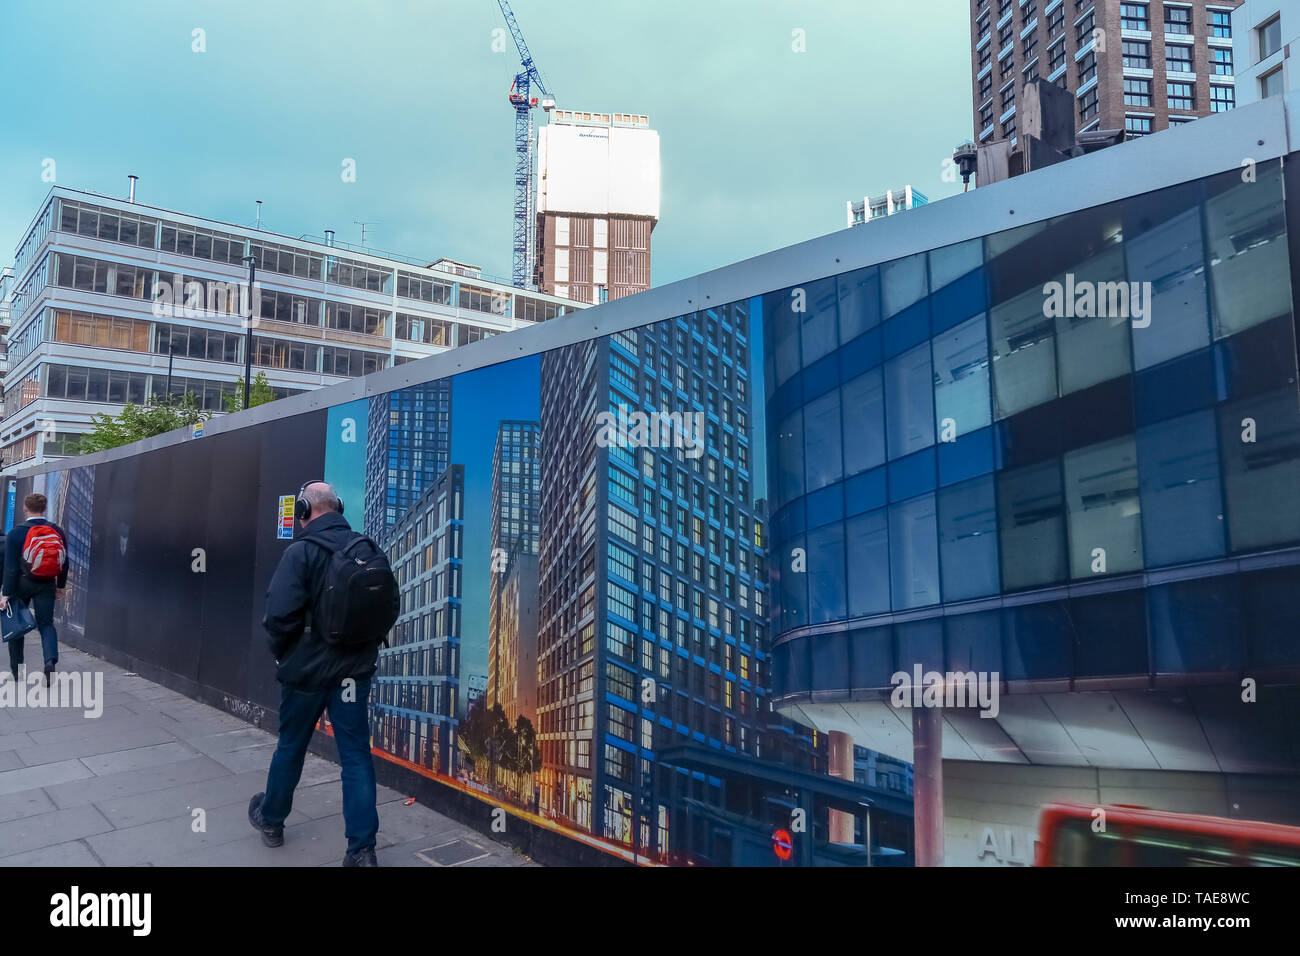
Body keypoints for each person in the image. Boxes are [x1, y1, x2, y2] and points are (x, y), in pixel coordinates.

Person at [248, 481, 385, 867]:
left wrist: (284, 657)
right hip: (352, 676)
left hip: (305, 674)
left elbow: (278, 616)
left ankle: (272, 821)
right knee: (356, 756)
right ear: (338, 507)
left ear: (305, 510)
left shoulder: (300, 553)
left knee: (291, 746)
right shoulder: (365, 549)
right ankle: (362, 851)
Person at [0, 493, 68, 684]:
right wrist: (60, 586)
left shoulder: (16, 533)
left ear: (24, 507)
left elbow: (11, 567)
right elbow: (65, 561)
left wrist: (5, 594)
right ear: (44, 508)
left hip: (21, 584)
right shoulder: (56, 530)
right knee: (46, 624)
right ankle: (49, 661)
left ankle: (17, 672)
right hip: (46, 583)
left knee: (17, 627)